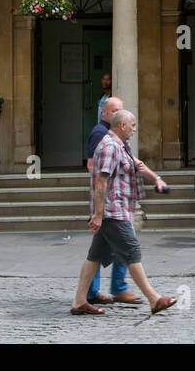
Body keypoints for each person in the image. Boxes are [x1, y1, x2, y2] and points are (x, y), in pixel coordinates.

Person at [69, 110, 176, 316]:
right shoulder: (110, 147)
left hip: (115, 211)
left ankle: (79, 301)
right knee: (132, 252)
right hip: (112, 212)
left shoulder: (120, 146)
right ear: (122, 126)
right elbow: (101, 181)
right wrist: (98, 215)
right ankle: (154, 299)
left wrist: (157, 179)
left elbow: (138, 165)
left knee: (95, 256)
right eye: (133, 125)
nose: (135, 130)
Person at [84, 98, 135, 304]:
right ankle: (123, 289)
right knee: (128, 248)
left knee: (97, 253)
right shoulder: (101, 134)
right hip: (111, 206)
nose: (118, 114)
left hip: (116, 204)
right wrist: (99, 209)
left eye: (121, 110)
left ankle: (88, 294)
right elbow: (96, 169)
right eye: (115, 110)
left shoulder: (118, 138)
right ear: (104, 113)